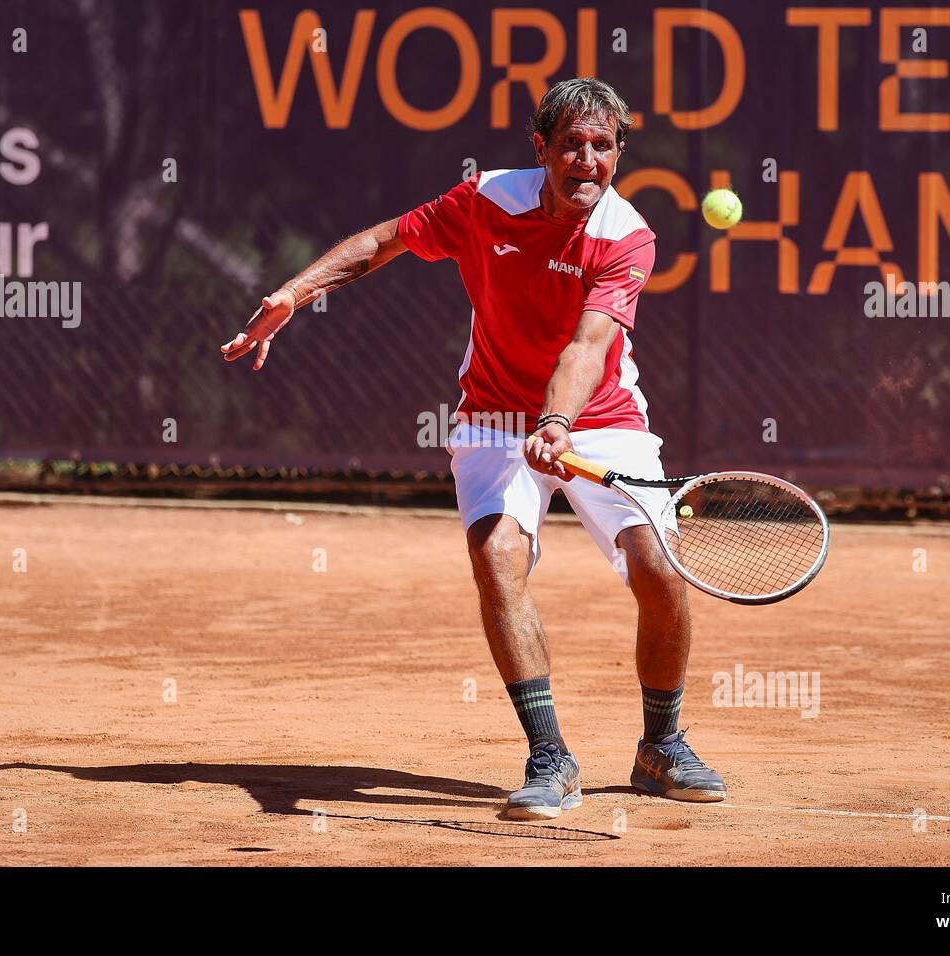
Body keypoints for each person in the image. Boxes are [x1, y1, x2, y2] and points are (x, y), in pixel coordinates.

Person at [221, 77, 725, 819]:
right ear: (542, 150)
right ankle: (550, 758)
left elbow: (589, 346)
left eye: (603, 147)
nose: (587, 161)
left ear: (619, 153)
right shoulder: (487, 199)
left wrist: (556, 424)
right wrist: (296, 292)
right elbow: (384, 241)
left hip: (601, 417)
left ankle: (662, 743)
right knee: (497, 560)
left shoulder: (627, 237)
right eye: (571, 146)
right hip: (492, 414)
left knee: (658, 570)